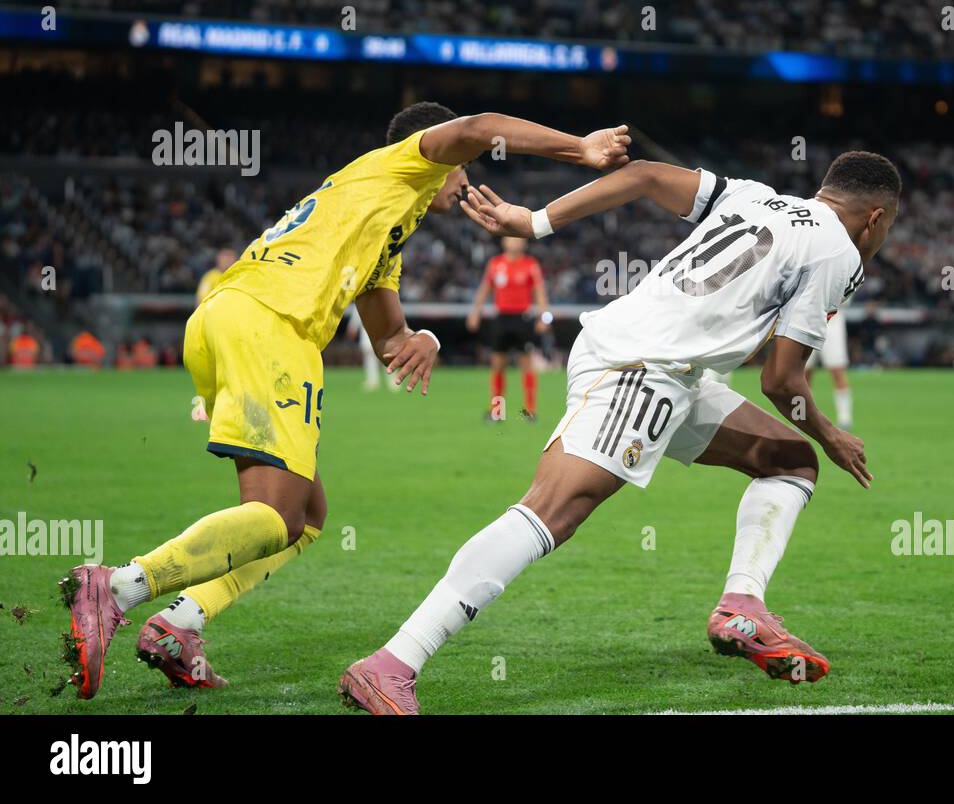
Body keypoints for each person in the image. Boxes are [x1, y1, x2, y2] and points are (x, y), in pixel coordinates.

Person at [59, 105, 631, 698]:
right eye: (464, 167)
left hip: (224, 319)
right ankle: (118, 587)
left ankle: (180, 622)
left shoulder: (384, 223)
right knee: (276, 515)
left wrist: (424, 339)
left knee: (304, 517)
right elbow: (476, 127)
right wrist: (579, 150)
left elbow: (389, 338)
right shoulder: (404, 165)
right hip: (272, 326)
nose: (467, 177)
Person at [340, 150, 899, 714]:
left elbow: (644, 175)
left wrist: (534, 221)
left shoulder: (756, 194)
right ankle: (393, 662)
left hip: (668, 365)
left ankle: (743, 605)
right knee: (553, 510)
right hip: (643, 369)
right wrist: (835, 436)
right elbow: (782, 381)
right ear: (875, 217)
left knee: (789, 461)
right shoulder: (839, 252)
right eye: (887, 228)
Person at [467, 237, 551, 420]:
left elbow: (540, 292)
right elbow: (484, 288)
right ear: (503, 241)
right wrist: (475, 313)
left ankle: (530, 411)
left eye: (518, 239)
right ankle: (497, 412)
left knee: (526, 365)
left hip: (523, 318)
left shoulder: (530, 264)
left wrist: (544, 317)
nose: (514, 242)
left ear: (524, 243)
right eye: (510, 238)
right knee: (497, 365)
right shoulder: (496, 263)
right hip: (501, 318)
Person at [806, 303, 853, 428]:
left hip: (832, 318)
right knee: (803, 374)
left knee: (837, 370)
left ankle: (845, 419)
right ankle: (801, 417)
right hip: (806, 318)